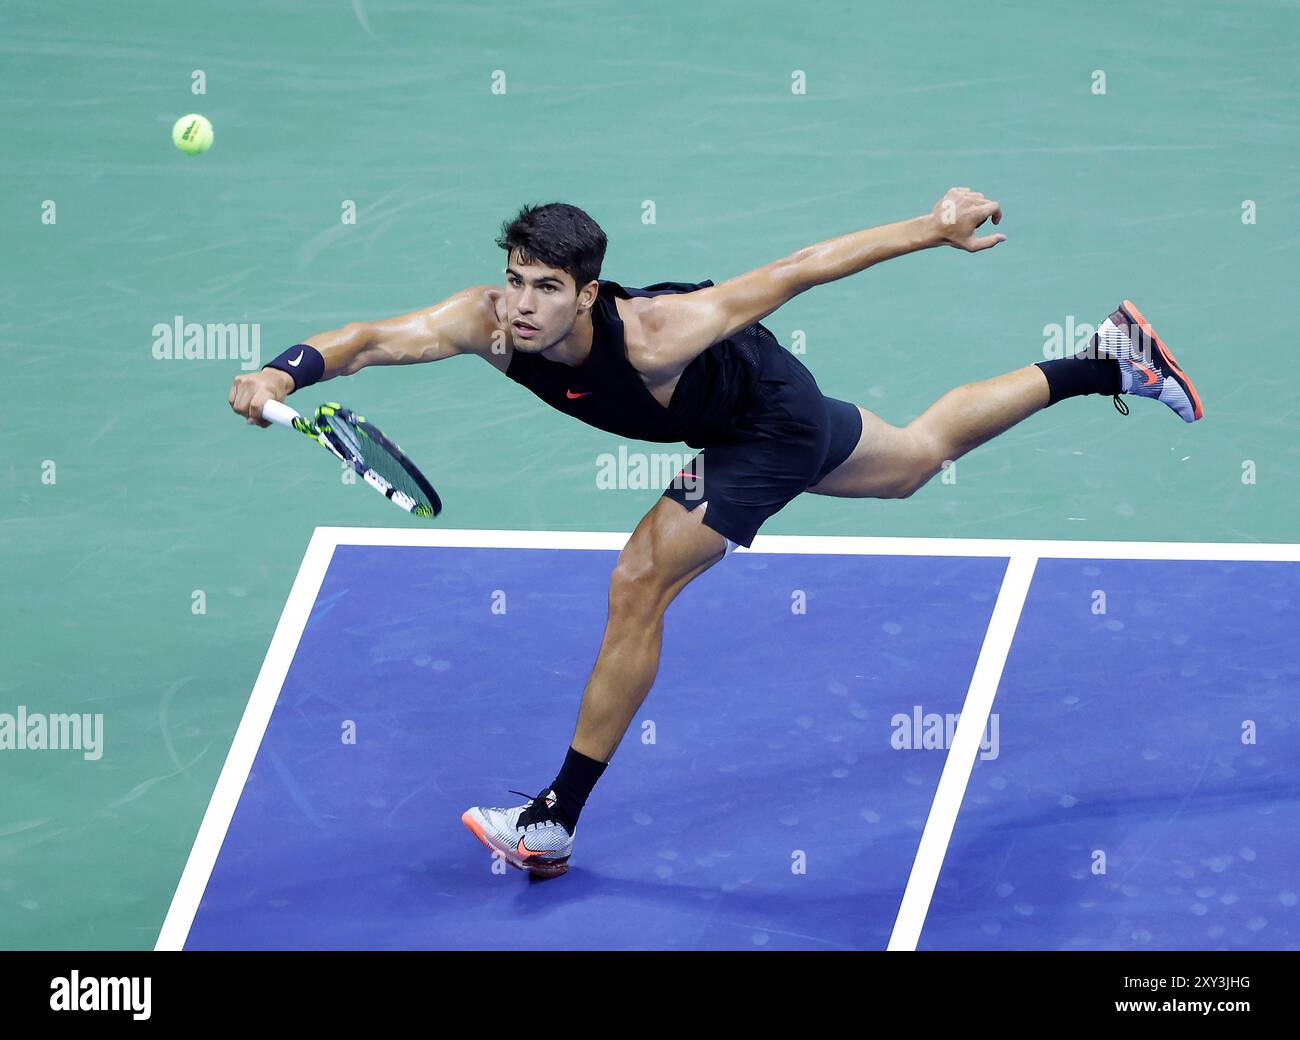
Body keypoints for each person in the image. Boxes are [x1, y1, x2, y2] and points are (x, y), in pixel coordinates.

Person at [229, 188, 1203, 878]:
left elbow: (798, 269)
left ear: (589, 291)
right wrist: (283, 371)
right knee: (910, 460)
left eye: (545, 288)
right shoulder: (484, 323)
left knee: (637, 579)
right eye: (515, 279)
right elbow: (365, 339)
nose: (522, 304)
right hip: (744, 414)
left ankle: (552, 820)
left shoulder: (655, 330)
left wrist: (934, 227)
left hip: (761, 422)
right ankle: (1108, 362)